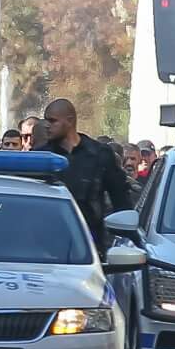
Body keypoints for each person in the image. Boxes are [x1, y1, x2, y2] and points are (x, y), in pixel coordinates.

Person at [37, 98, 135, 250]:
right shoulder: (41, 157)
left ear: (69, 121)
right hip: (46, 243)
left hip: (90, 245)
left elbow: (121, 200)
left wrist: (129, 242)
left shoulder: (99, 155)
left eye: (52, 121)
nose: (47, 126)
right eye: (46, 121)